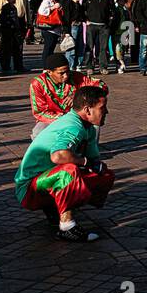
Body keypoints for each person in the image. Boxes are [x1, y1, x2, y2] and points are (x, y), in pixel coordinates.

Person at [14, 86, 114, 242]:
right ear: (87, 110)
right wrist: (85, 162)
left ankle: (56, 208)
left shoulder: (88, 129)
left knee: (105, 174)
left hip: (45, 179)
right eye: (102, 108)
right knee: (69, 171)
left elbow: (95, 161)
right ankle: (66, 226)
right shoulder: (73, 126)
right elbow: (58, 156)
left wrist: (93, 166)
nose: (106, 112)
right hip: (28, 190)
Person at [29, 52, 108, 128]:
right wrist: (63, 119)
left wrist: (79, 95)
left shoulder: (76, 77)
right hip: (52, 119)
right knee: (39, 131)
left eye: (67, 71)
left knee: (94, 122)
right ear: (49, 72)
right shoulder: (37, 84)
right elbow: (40, 112)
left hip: (77, 117)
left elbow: (101, 86)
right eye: (61, 73)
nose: (66, 76)